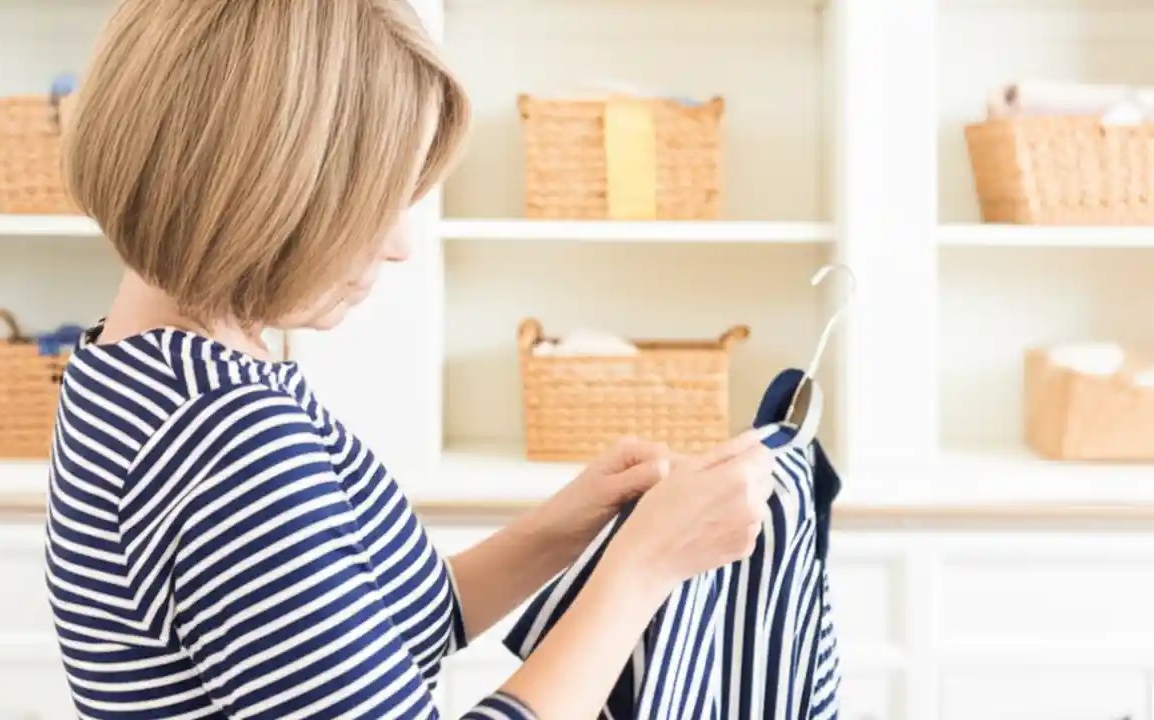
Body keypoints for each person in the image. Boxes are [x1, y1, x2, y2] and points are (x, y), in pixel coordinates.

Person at [43, 1, 775, 718]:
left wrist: (563, 529)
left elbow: (376, 634)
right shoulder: (229, 437)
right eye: (376, 202)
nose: (398, 245)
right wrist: (644, 567)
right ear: (261, 185)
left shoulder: (133, 370)